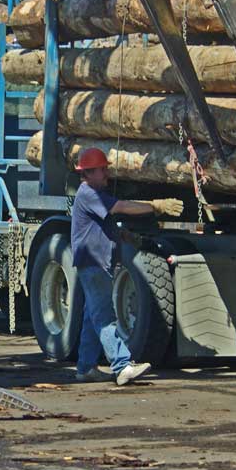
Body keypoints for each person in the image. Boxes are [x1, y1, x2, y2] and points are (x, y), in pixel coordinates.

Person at [70, 147, 184, 386]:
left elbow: (101, 226)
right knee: (104, 317)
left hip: (94, 264)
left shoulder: (93, 195)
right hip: (93, 264)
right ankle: (122, 366)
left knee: (93, 317)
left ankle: (86, 368)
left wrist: (125, 236)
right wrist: (156, 206)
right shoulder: (89, 193)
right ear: (88, 173)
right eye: (102, 170)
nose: (106, 174)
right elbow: (120, 207)